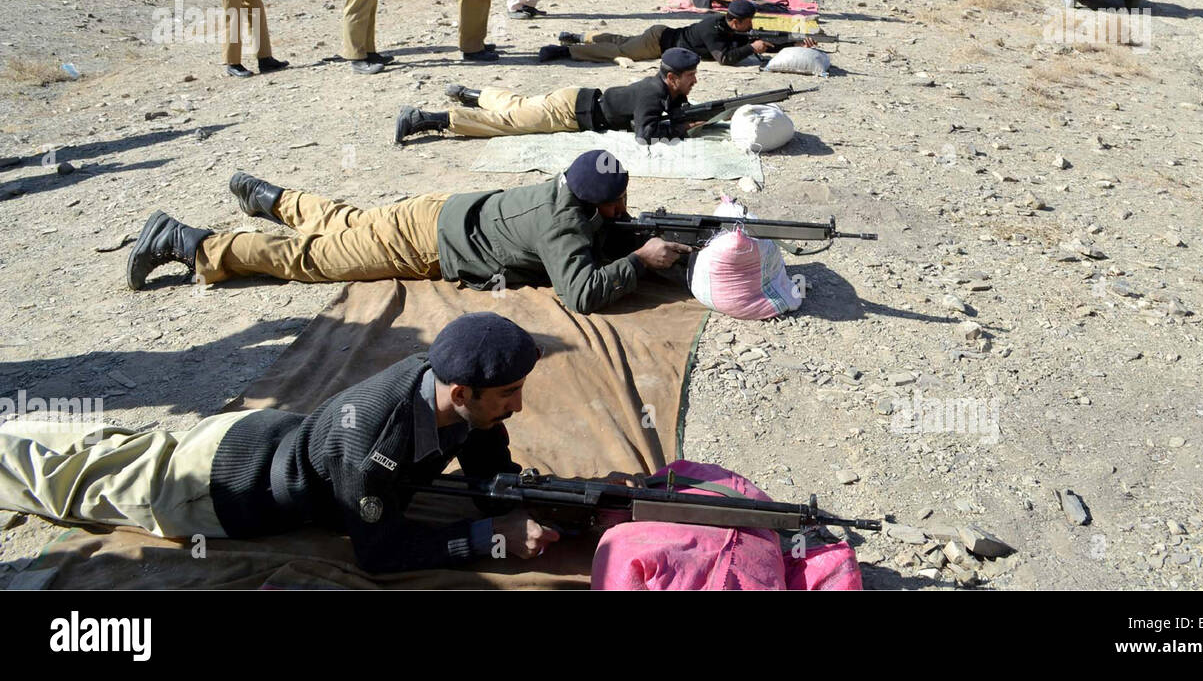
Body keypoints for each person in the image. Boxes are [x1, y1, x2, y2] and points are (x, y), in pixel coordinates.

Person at [0, 313, 568, 572]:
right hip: (215, 488)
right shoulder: (373, 440)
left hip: (262, 440)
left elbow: (489, 463)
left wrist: (551, 501)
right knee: (67, 480)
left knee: (113, 447)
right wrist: (487, 537)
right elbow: (380, 554)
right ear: (462, 391)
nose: (516, 406)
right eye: (510, 393)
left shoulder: (451, 384)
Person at [125, 151, 691, 315]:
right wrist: (640, 260)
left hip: (438, 213)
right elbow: (583, 294)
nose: (624, 206)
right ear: (594, 200)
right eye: (619, 200)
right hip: (425, 242)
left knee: (347, 222)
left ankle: (272, 199)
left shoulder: (566, 194)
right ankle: (187, 242)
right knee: (316, 259)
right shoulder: (564, 224)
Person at [394, 47, 704, 145]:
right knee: (506, 123)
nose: (694, 80)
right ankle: (425, 119)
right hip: (568, 113)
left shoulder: (664, 88)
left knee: (518, 106)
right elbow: (645, 134)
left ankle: (472, 94)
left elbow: (678, 109)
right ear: (672, 77)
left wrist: (691, 117)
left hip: (575, 101)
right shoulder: (652, 94)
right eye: (690, 76)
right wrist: (678, 130)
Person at [538, 0, 811, 65]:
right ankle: (567, 50)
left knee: (624, 40)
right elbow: (725, 58)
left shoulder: (727, 26)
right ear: (735, 21)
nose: (750, 27)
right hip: (658, 44)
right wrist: (752, 48)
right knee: (619, 51)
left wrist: (794, 45)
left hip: (660, 34)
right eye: (748, 22)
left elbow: (758, 40)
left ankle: (581, 36)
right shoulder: (712, 29)